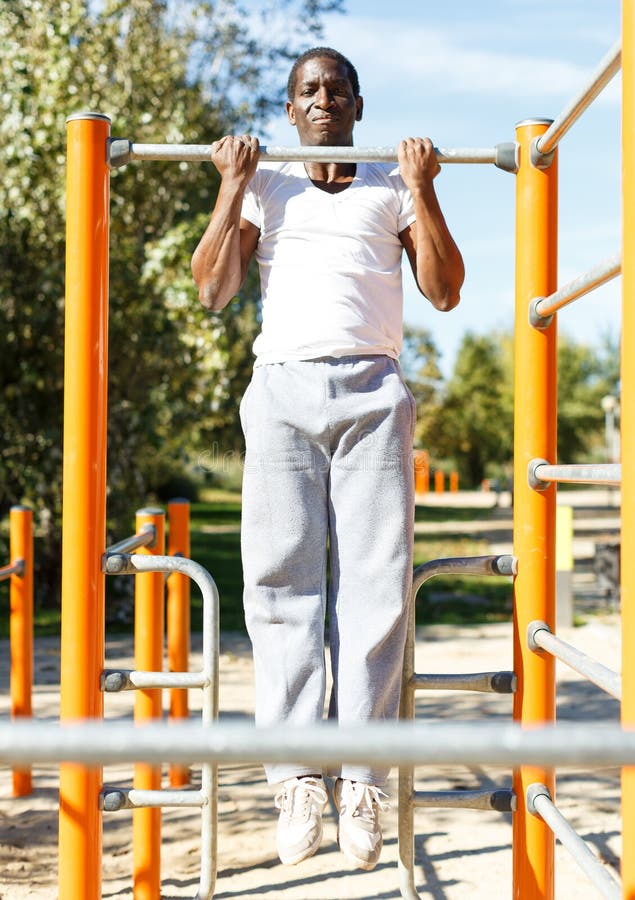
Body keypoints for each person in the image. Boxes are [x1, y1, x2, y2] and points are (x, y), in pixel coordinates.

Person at [191, 46, 464, 872]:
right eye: (306, 90)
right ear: (288, 109)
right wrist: (231, 183)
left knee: (375, 586)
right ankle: (298, 778)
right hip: (281, 391)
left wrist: (422, 187)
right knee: (281, 586)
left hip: (373, 392)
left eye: (335, 89)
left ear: (356, 104)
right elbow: (211, 290)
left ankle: (362, 779)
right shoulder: (267, 187)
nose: (321, 100)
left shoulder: (389, 187)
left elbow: (445, 290)